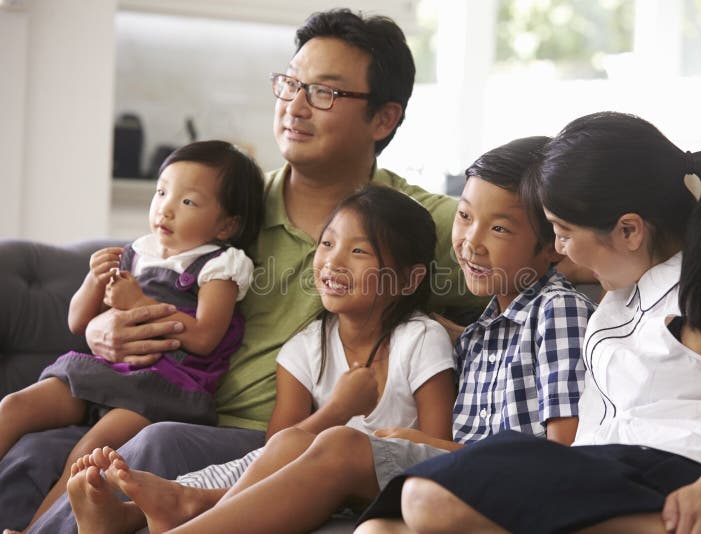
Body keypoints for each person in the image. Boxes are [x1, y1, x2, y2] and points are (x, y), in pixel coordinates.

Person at [0, 9, 483, 533]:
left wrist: (447, 328)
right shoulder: (230, 208)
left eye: (324, 92)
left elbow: (529, 273)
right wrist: (101, 327)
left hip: (267, 435)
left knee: (155, 445)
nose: (295, 107)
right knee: (36, 450)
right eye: (290, 84)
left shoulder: (426, 224)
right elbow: (138, 279)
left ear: (384, 118)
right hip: (160, 398)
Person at [65, 136, 595, 533]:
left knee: (339, 440)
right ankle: (179, 505)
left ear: (555, 244)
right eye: (463, 218)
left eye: (499, 229)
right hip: (459, 468)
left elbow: (560, 452)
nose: (471, 243)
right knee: (299, 439)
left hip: (504, 483)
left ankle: (183, 516)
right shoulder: (483, 329)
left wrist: (412, 438)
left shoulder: (555, 313)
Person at [357, 112, 701, 534]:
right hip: (602, 478)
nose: (559, 251)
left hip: (679, 476)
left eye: (562, 231)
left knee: (426, 498)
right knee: (380, 526)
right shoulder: (622, 286)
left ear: (628, 231)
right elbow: (519, 281)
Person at [65, 183, 458, 533]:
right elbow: (275, 449)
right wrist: (336, 409)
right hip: (306, 468)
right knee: (261, 457)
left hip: (380, 480)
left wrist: (341, 412)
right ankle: (133, 514)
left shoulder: (420, 339)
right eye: (327, 243)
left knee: (292, 450)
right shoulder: (306, 347)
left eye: (359, 251)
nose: (334, 261)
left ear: (408, 279)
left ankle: (182, 507)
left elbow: (439, 447)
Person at [0, 140, 264, 532]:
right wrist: (93, 281)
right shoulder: (137, 251)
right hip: (104, 372)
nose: (166, 207)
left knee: (86, 456)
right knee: (13, 405)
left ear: (226, 225)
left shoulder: (220, 266)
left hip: (158, 390)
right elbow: (76, 322)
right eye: (161, 192)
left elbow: (206, 336)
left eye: (188, 202)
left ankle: (33, 530)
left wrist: (138, 300)